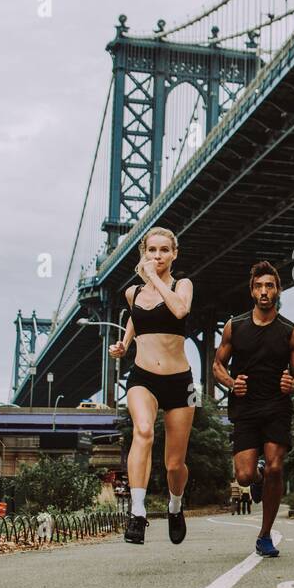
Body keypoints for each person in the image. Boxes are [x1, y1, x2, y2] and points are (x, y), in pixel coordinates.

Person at [108, 227, 196, 546]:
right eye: (151, 250)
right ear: (144, 253)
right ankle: (138, 513)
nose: (157, 256)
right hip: (143, 376)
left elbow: (180, 310)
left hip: (180, 382)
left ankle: (175, 504)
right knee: (143, 431)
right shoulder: (132, 293)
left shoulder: (181, 285)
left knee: (174, 464)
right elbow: (137, 315)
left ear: (174, 254)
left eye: (163, 251)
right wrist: (125, 344)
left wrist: (154, 278)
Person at [213, 261, 294, 556]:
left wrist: (293, 384)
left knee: (277, 466)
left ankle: (265, 535)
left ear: (278, 290)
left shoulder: (291, 331)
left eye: (269, 286)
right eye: (258, 286)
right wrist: (230, 383)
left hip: (277, 407)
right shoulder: (234, 326)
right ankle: (259, 477)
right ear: (251, 291)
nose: (264, 292)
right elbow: (217, 365)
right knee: (243, 476)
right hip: (246, 408)